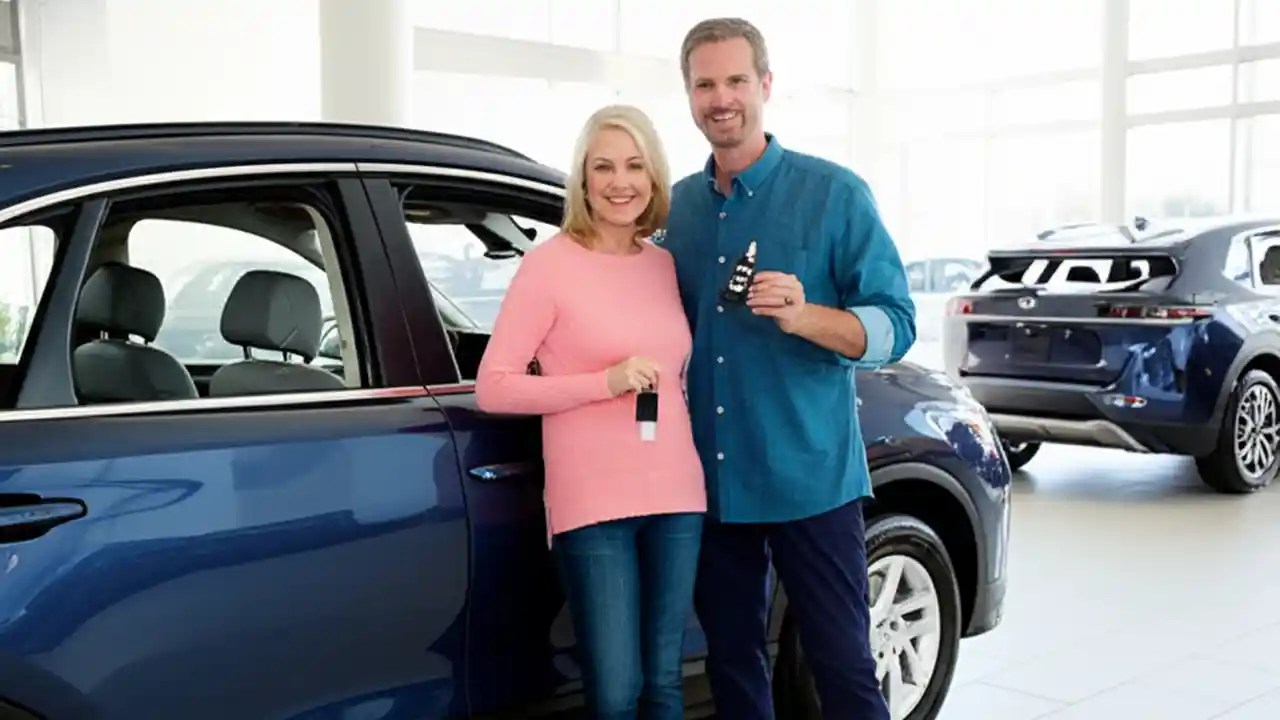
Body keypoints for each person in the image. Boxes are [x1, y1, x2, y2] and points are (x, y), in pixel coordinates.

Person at [659, 17, 917, 720]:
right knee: (731, 662)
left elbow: (897, 323)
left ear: (765, 85)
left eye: (735, 80)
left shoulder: (835, 195)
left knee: (842, 664)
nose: (721, 99)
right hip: (713, 482)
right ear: (689, 94)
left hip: (812, 479)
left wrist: (808, 317)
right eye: (705, 85)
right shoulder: (677, 209)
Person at [474, 104, 707, 719]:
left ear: (654, 177)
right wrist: (603, 383)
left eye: (634, 166)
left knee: (665, 682)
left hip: (677, 492)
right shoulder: (548, 266)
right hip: (595, 502)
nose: (619, 182)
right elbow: (494, 387)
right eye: (603, 167)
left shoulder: (663, 265)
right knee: (616, 693)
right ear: (582, 178)